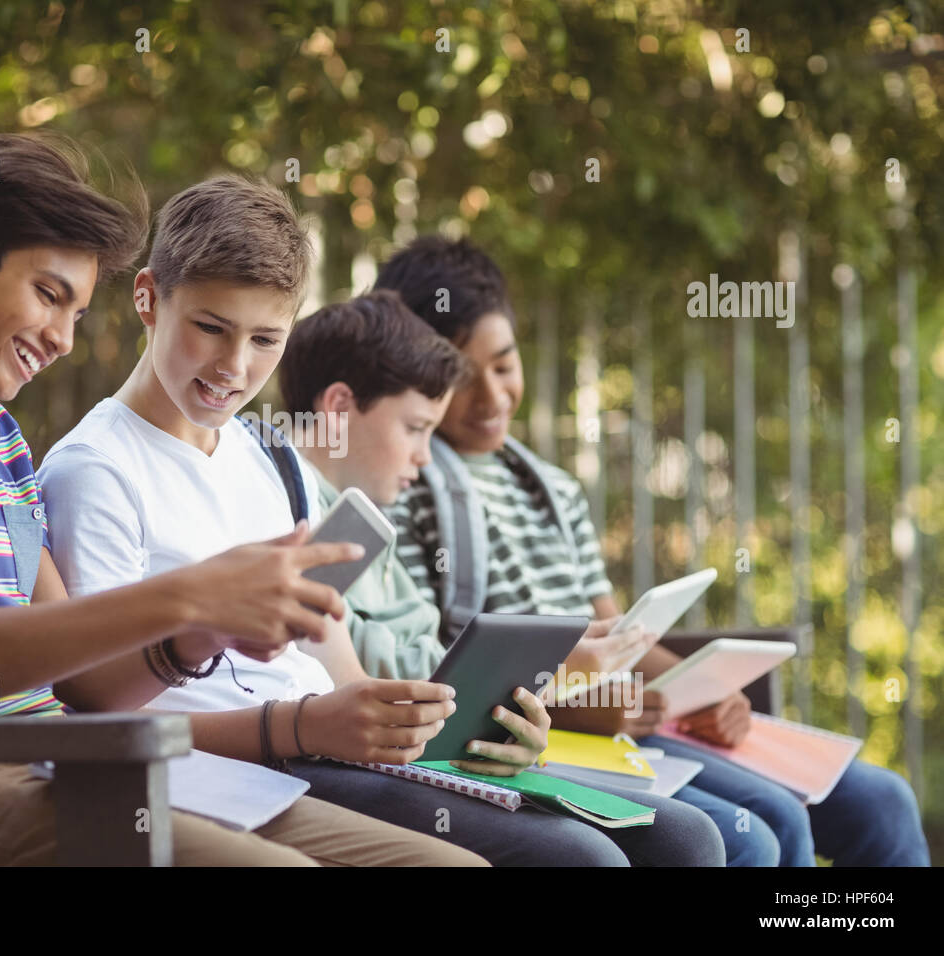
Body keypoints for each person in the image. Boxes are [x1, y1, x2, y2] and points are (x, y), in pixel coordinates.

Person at [0, 131, 475, 868]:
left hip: (66, 766)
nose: (64, 338)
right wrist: (190, 597)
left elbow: (90, 685)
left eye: (75, 309)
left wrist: (205, 630)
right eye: (48, 295)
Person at [39, 185, 725, 866]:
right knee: (582, 860)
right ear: (148, 298)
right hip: (247, 765)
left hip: (327, 745)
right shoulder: (96, 471)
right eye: (211, 329)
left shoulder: (259, 456)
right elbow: (99, 712)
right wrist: (305, 727)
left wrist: (459, 730)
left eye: (266, 339)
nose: (235, 366)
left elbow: (338, 663)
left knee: (686, 839)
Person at [374, 234, 931, 867]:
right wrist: (583, 703)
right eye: (463, 378)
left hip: (623, 714)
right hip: (552, 727)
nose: (493, 397)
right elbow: (441, 667)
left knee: (884, 801)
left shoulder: (549, 487)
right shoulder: (409, 484)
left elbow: (619, 633)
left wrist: (705, 694)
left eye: (504, 365)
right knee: (759, 828)